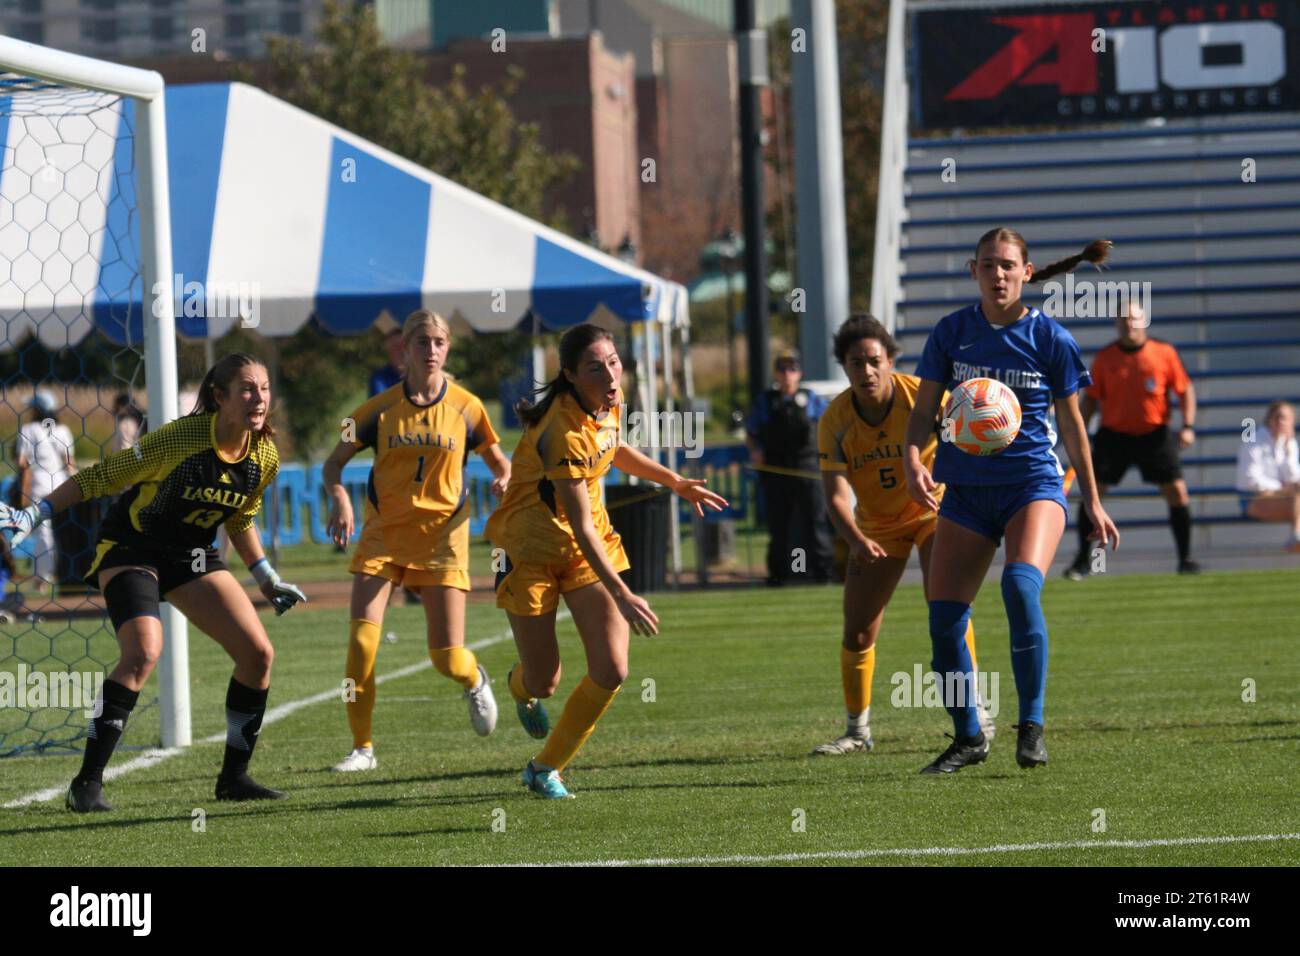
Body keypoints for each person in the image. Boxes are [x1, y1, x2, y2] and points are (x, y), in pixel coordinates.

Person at [0, 353, 307, 811]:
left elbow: (241, 518)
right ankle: (86, 784)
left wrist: (265, 575)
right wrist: (35, 512)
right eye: (246, 388)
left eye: (263, 388)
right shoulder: (183, 437)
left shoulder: (264, 456)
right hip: (132, 547)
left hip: (192, 557)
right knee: (143, 650)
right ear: (219, 397)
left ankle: (233, 778)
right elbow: (102, 476)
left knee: (257, 654)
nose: (258, 397)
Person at [903, 229, 1120, 774]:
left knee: (1019, 588)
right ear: (973, 270)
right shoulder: (952, 332)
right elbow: (924, 407)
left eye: (1007, 265)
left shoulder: (1050, 339)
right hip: (966, 491)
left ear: (1026, 272)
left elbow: (1072, 424)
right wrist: (911, 456)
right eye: (987, 265)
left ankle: (1032, 727)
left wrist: (1092, 500)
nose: (997, 274)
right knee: (945, 618)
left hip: (1032, 486)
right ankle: (969, 738)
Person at [486, 323, 728, 799]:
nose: (611, 375)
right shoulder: (560, 430)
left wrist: (675, 482)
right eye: (596, 368)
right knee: (544, 680)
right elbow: (580, 523)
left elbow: (613, 448)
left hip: (582, 555)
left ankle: (543, 768)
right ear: (571, 375)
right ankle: (519, 687)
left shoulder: (606, 403)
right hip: (529, 555)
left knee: (612, 669)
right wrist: (623, 592)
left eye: (614, 362)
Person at [323, 310, 511, 772]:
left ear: (447, 349)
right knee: (362, 643)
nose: (430, 350)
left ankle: (474, 678)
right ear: (404, 351)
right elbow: (333, 463)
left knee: (446, 658)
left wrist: (503, 480)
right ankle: (362, 749)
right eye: (422, 342)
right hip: (383, 534)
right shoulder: (375, 410)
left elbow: (499, 462)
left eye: (438, 342)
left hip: (443, 540)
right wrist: (339, 498)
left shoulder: (469, 407)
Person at [814, 315, 993, 755]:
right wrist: (856, 539)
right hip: (875, 528)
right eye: (856, 363)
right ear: (844, 367)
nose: (867, 371)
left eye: (875, 360)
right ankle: (858, 732)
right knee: (857, 631)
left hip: (936, 513)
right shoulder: (834, 420)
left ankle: (975, 711)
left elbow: (973, 438)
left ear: (891, 360)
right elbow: (836, 496)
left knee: (947, 609)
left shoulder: (924, 398)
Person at [1065, 302, 1199, 578]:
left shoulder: (1164, 353)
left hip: (1155, 435)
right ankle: (1082, 561)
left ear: (1144, 320)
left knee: (1177, 493)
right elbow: (1090, 401)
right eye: (1123, 319)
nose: (1129, 324)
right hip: (1114, 436)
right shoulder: (1105, 358)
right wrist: (1080, 435)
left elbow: (1185, 391)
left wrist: (1187, 425)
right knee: (1092, 494)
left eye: (1134, 318)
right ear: (1117, 324)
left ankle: (1185, 559)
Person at [745, 350, 834, 585]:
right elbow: (751, 431)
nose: (787, 375)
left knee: (816, 521)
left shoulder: (811, 399)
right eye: (782, 369)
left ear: (799, 373)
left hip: (807, 468)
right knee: (778, 524)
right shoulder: (765, 401)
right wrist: (755, 451)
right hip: (776, 470)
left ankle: (822, 572)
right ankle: (778, 574)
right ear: (776, 373)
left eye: (792, 369)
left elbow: (831, 423)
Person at [15, 390, 77, 596]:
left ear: (37, 409)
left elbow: (23, 464)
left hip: (39, 485)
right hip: (62, 485)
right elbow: (70, 464)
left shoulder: (28, 429)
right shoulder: (63, 430)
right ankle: (59, 573)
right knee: (64, 532)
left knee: (43, 532)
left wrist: (22, 493)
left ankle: (42, 577)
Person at [1237, 400, 1300, 552]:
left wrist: (1288, 451)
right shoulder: (1252, 439)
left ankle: (1296, 537)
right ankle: (1296, 537)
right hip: (1252, 499)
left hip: (1283, 497)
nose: (1281, 422)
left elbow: (1293, 478)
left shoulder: (1289, 442)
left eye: (1285, 418)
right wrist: (1280, 488)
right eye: (1277, 417)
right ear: (1269, 419)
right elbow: (1249, 478)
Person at [369, 328, 407, 397]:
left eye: (404, 346)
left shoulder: (422, 374)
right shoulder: (379, 378)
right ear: (388, 351)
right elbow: (381, 402)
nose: (401, 351)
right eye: (396, 347)